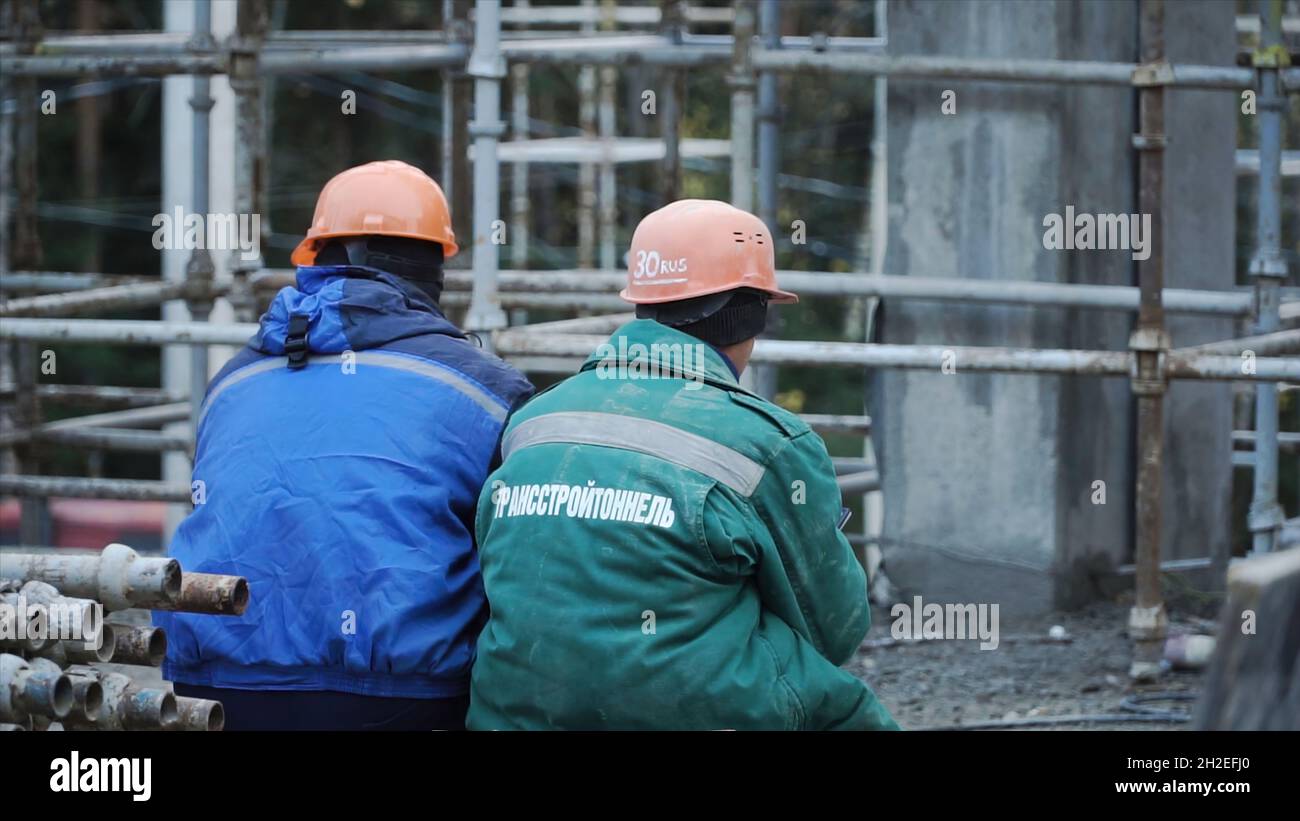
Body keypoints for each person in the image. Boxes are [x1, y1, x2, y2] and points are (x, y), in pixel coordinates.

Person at [467, 199, 898, 730]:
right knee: (847, 714)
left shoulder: (533, 420)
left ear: (641, 304)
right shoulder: (767, 443)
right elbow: (834, 627)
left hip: (509, 715)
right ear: (753, 313)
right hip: (695, 713)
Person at [157, 160, 533, 730]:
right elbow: (522, 568)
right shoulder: (486, 391)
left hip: (212, 693)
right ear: (436, 269)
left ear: (317, 257)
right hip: (399, 697)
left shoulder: (231, 383)